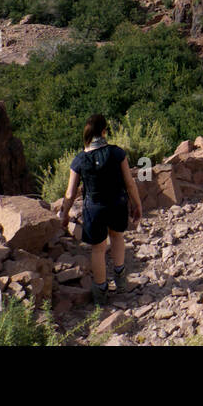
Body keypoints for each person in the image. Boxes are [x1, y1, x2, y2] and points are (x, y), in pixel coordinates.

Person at [59, 114, 143, 306]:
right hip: (117, 204)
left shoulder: (79, 159)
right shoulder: (117, 153)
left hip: (94, 209)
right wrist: (137, 204)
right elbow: (129, 183)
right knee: (117, 237)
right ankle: (121, 282)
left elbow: (70, 193)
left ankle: (101, 293)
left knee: (98, 249)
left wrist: (64, 214)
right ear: (105, 132)